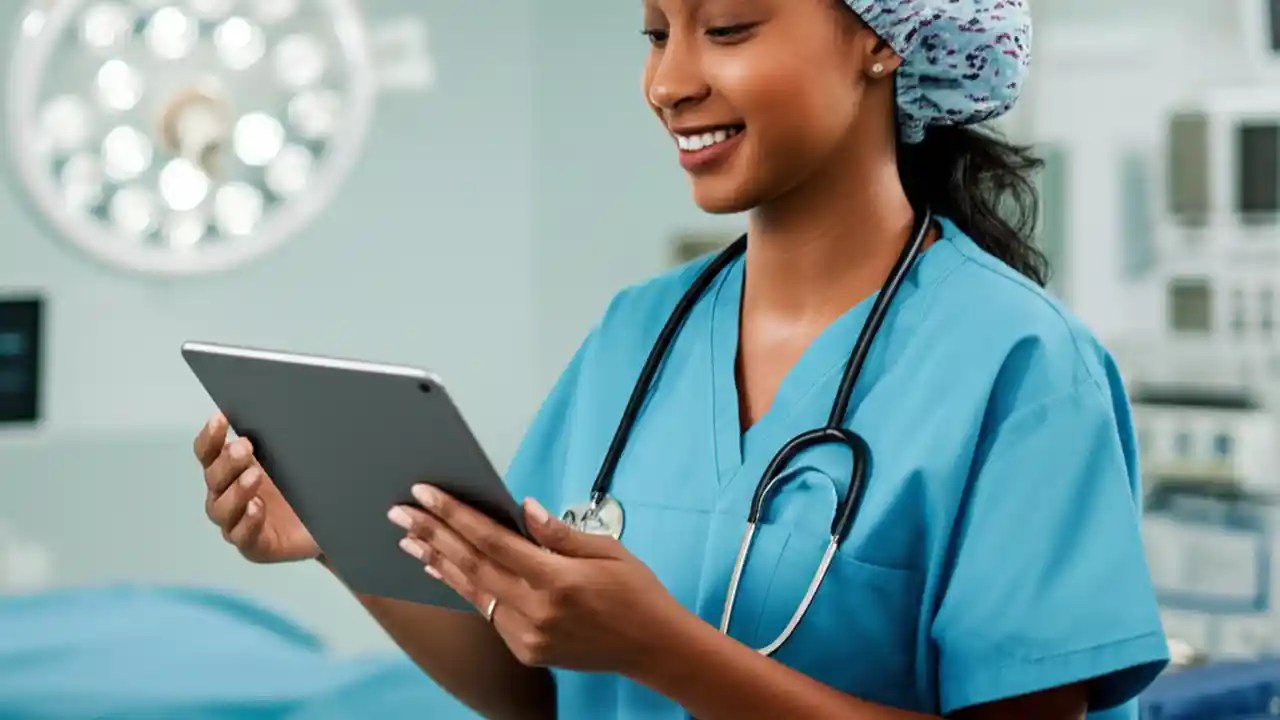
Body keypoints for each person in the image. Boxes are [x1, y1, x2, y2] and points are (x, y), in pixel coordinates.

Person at [192, 0, 1171, 718]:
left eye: (728, 28)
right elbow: (533, 686)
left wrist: (664, 650)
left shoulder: (1020, 367)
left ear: (881, 38)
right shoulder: (637, 336)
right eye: (657, 32)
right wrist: (337, 534)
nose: (669, 83)